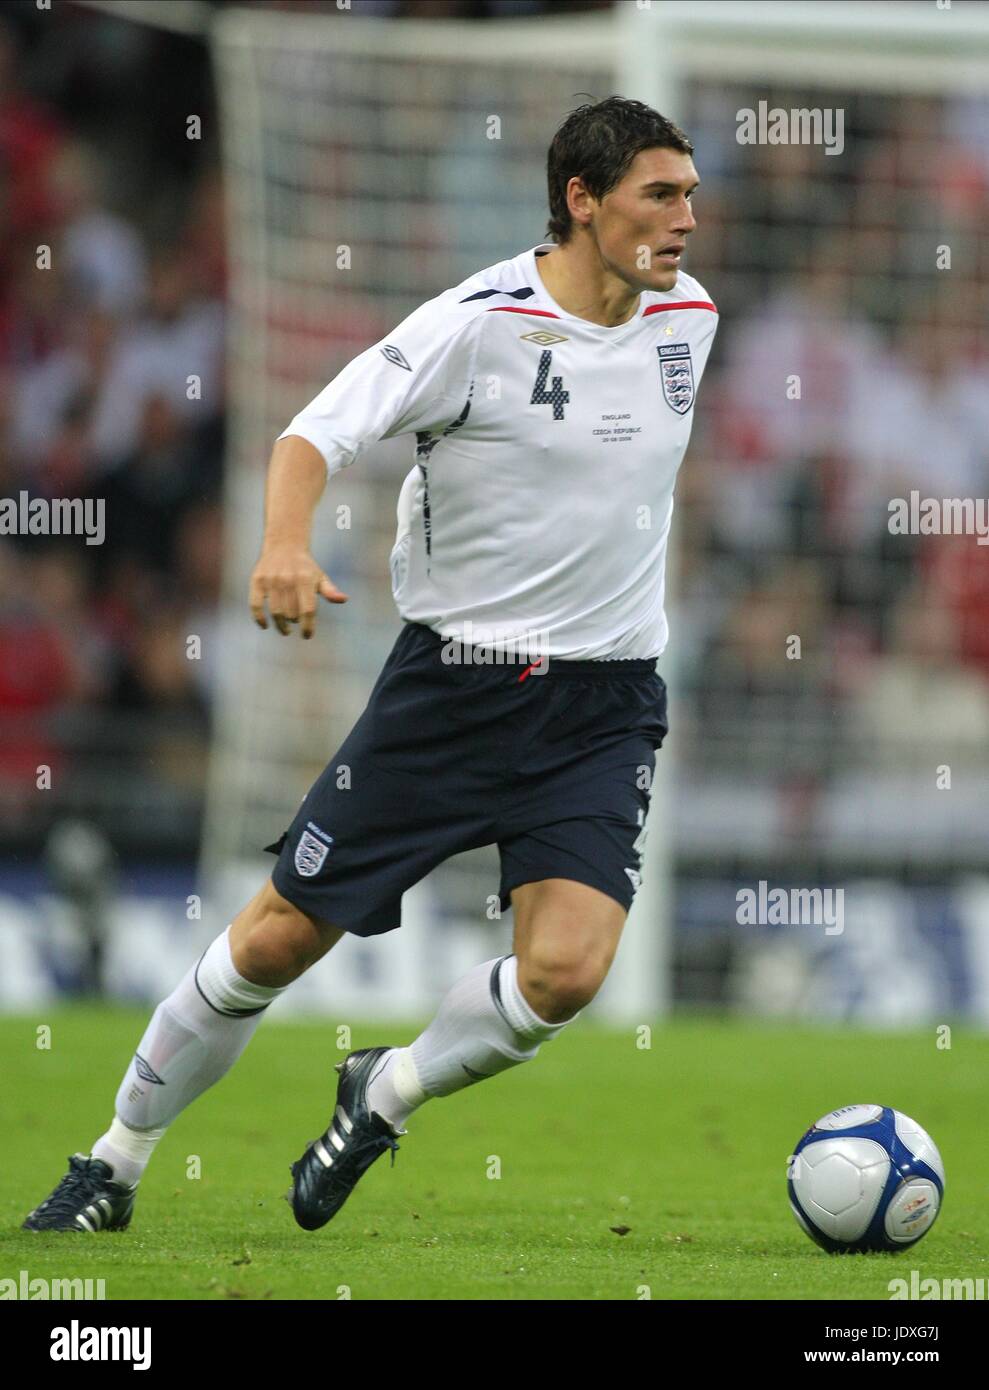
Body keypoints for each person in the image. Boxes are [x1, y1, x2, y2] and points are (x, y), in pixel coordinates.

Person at [24, 96, 718, 1235]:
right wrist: (286, 542)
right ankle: (116, 1157)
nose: (687, 216)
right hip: (453, 692)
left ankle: (382, 1091)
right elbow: (313, 432)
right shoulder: (475, 323)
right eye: (660, 192)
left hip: (604, 699)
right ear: (581, 202)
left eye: (689, 191)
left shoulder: (686, 315)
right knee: (273, 942)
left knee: (565, 973)